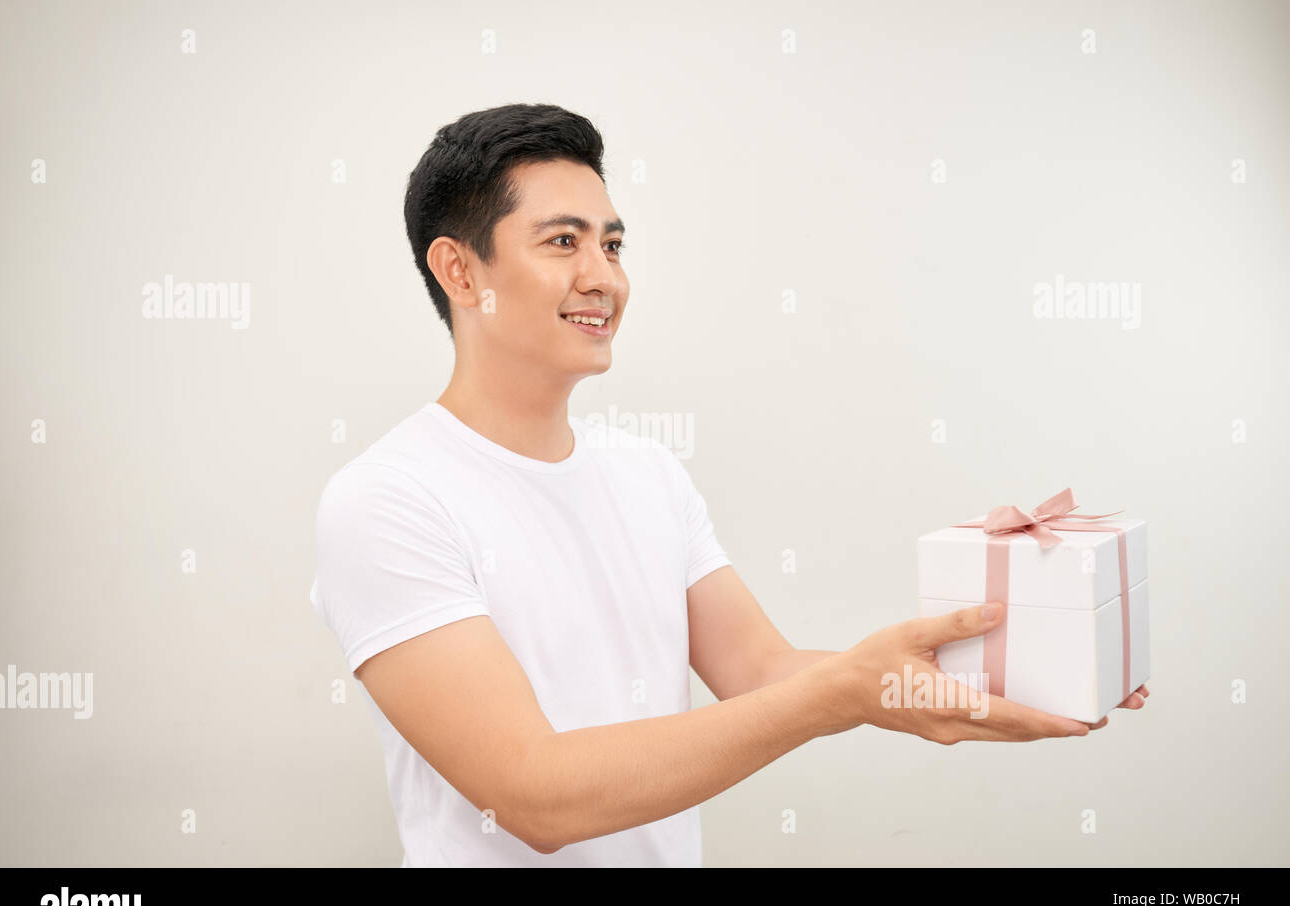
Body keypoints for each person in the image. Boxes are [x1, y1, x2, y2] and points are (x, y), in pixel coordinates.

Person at [308, 103, 1149, 867]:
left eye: (612, 243)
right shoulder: (388, 499)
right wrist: (839, 693)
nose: (604, 277)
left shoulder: (648, 473)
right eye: (563, 242)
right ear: (460, 272)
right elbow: (537, 795)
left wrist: (985, 680)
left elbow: (760, 669)